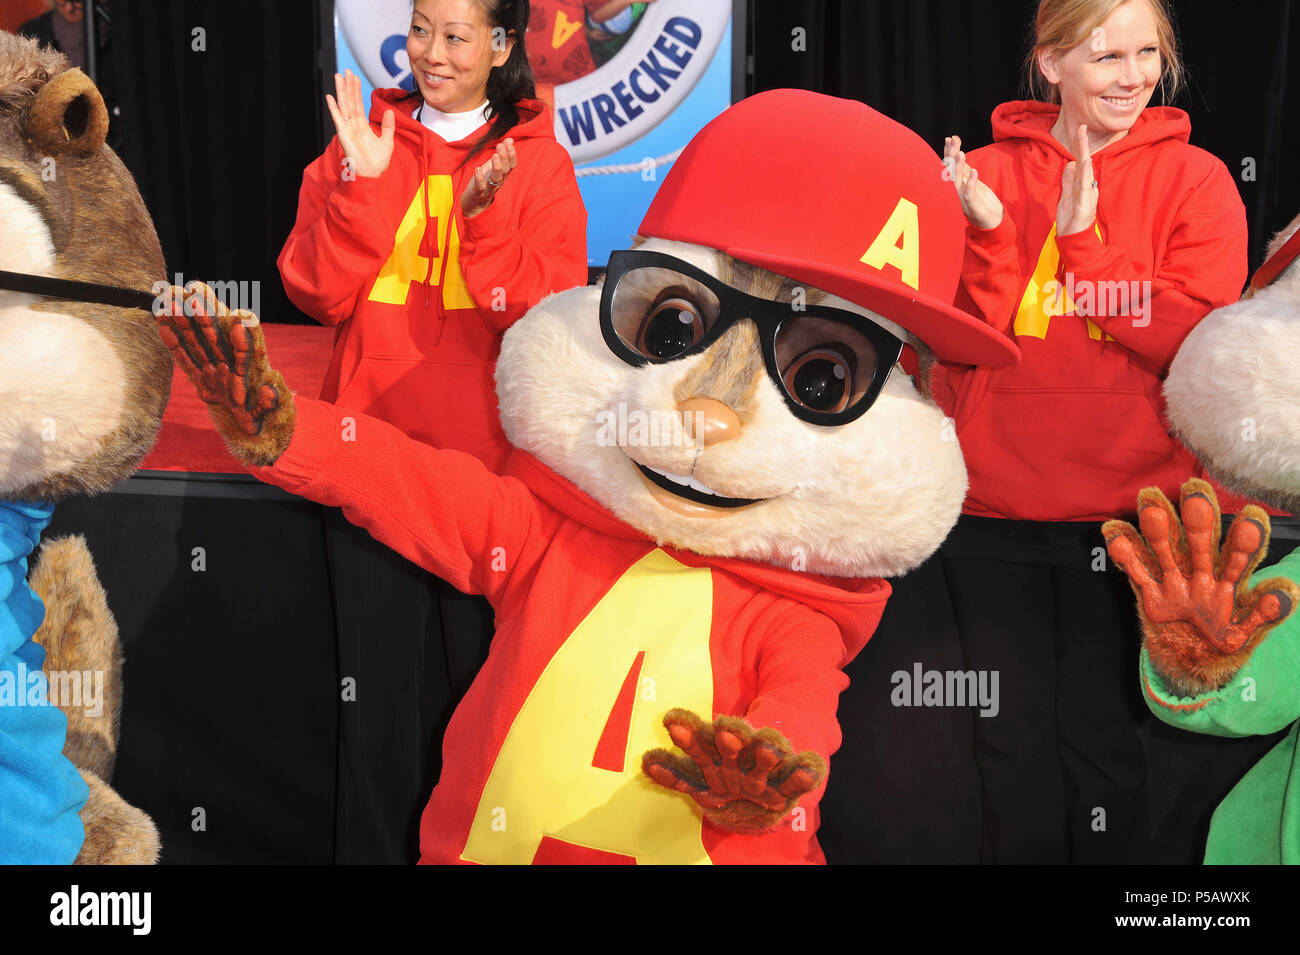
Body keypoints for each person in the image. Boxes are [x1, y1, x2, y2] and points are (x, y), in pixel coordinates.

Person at [933, 0, 1248, 863]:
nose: (1133, 74)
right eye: (1106, 55)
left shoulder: (1200, 182)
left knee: (1106, 743)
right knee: (1006, 745)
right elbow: (956, 339)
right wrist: (991, 234)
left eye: (1148, 52)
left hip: (1130, 516)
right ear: (1050, 65)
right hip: (992, 515)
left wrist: (1086, 251)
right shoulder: (986, 169)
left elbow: (1198, 341)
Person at [276, 0, 588, 863]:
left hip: (484, 489)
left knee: (478, 716)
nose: (431, 53)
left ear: (501, 46)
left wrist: (485, 227)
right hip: (368, 465)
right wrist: (365, 189)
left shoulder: (540, 166)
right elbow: (313, 291)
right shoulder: (362, 140)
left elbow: (543, 320)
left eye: (455, 36)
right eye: (420, 30)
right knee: (373, 718)